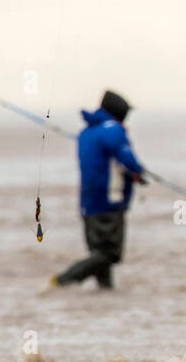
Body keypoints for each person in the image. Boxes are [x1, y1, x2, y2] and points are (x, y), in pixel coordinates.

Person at [50, 90, 144, 290]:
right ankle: (63, 281)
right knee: (110, 254)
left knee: (99, 255)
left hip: (88, 202)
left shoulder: (87, 132)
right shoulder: (112, 130)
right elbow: (128, 160)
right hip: (110, 200)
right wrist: (138, 172)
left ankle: (106, 295)